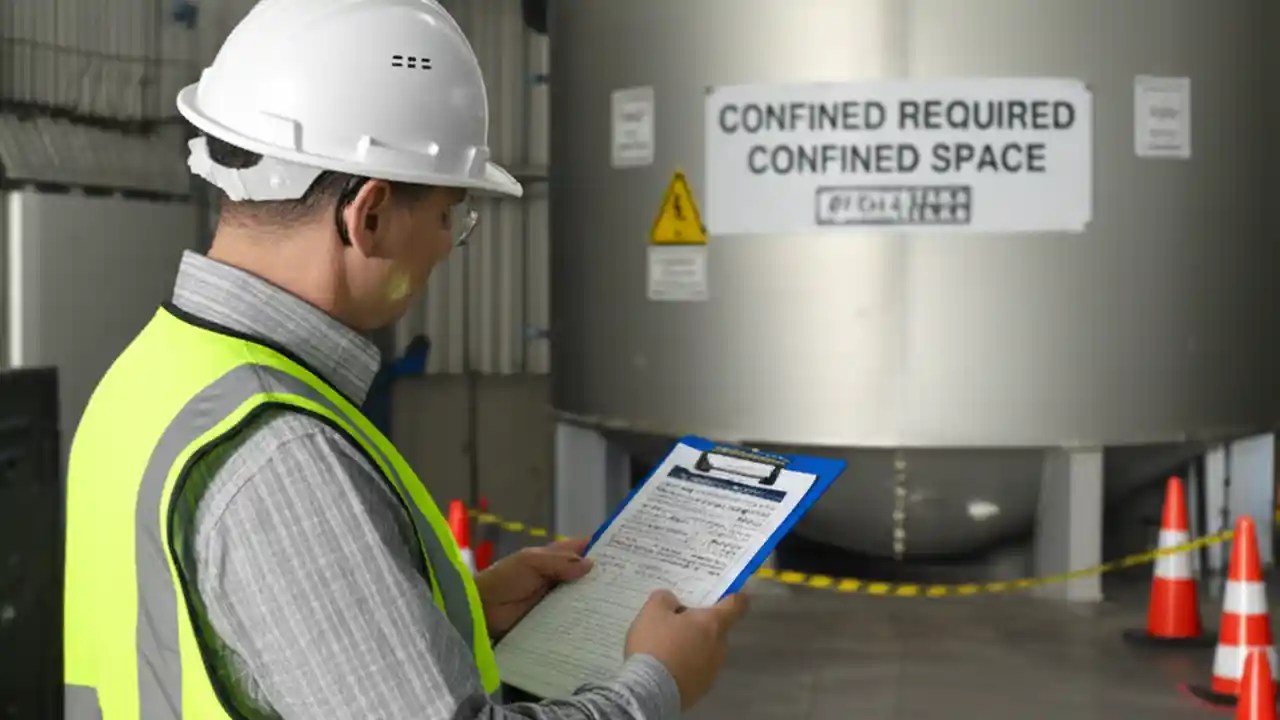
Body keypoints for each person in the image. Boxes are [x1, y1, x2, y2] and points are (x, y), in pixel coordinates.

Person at [59, 1, 748, 718]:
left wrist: (458, 611)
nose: (450, 243)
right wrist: (657, 682)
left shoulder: (156, 376)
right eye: (450, 213)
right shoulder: (282, 451)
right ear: (370, 215)